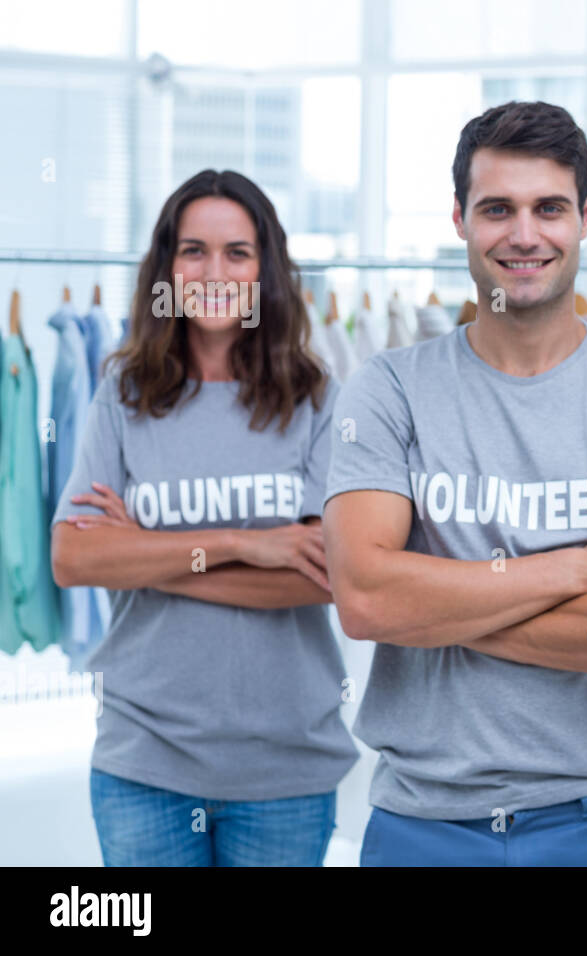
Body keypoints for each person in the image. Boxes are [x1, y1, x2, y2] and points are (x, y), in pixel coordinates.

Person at [322, 101, 587, 866]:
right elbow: (365, 599)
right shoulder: (390, 388)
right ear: (461, 219)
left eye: (549, 208)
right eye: (498, 208)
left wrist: (429, 604)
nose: (525, 234)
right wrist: (584, 568)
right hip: (421, 824)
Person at [49, 169, 358, 866]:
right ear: (168, 266)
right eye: (193, 250)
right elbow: (74, 559)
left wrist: (143, 552)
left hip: (287, 768)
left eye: (237, 252)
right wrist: (241, 543)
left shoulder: (316, 398)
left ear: (266, 269)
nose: (213, 271)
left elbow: (325, 575)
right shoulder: (121, 394)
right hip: (144, 765)